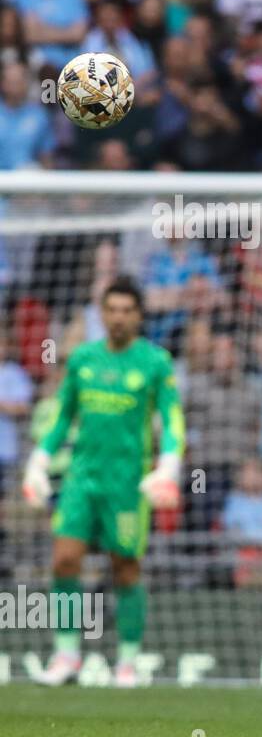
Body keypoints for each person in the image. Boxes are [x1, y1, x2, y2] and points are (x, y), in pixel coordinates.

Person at [22, 276, 185, 688]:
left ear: (139, 315)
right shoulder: (82, 360)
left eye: (127, 311)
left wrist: (167, 467)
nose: (118, 318)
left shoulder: (155, 362)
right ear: (101, 313)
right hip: (81, 478)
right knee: (63, 561)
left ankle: (127, 663)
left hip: (128, 483)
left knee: (125, 568)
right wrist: (38, 462)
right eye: (111, 309)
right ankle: (67, 657)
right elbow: (62, 418)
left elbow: (172, 421)